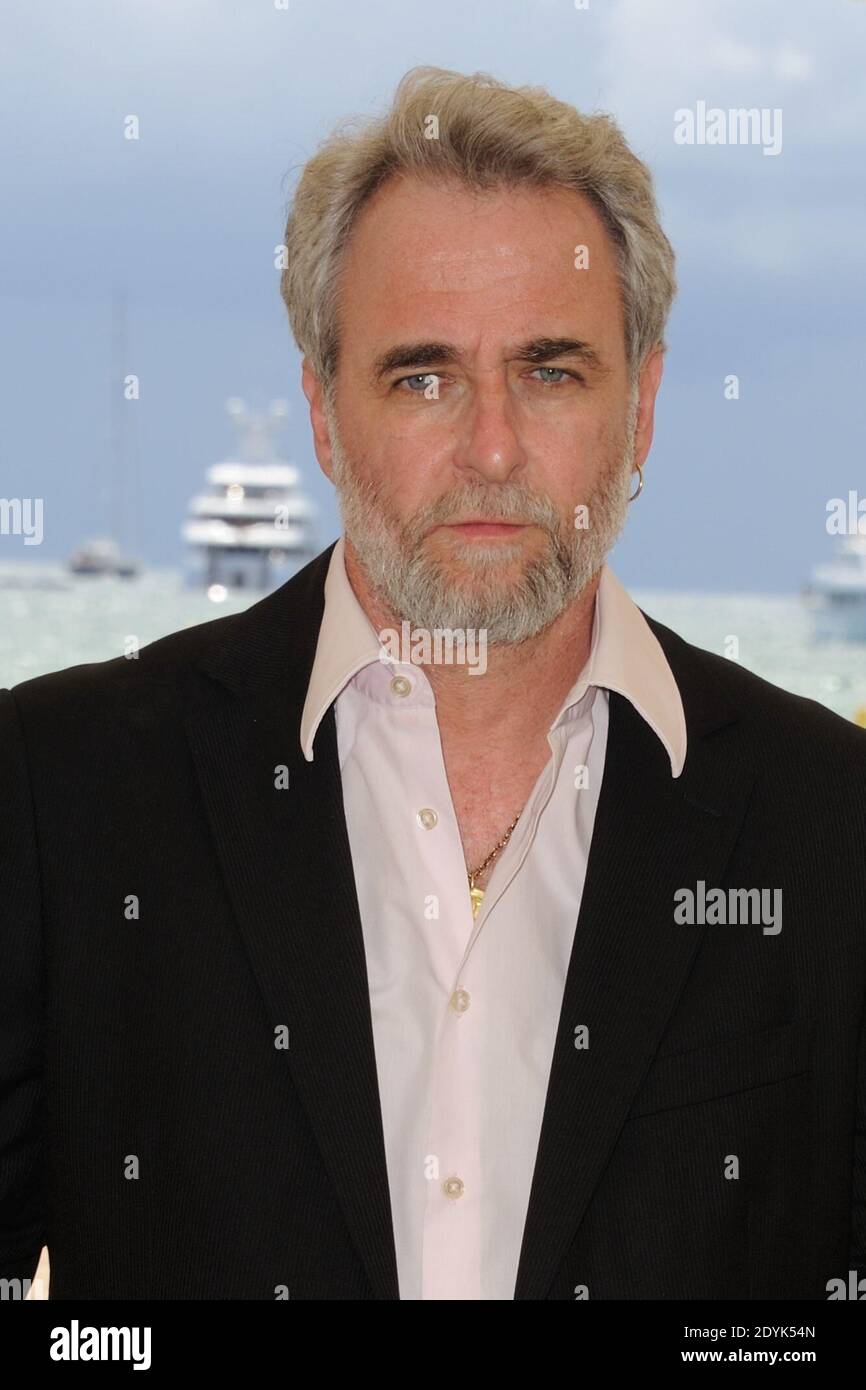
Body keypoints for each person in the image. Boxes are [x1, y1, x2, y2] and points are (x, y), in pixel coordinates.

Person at [2, 66, 865, 1301]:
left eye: (552, 371)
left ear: (645, 407)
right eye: (423, 377)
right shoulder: (61, 794)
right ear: (322, 412)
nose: (494, 447)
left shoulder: (829, 825)